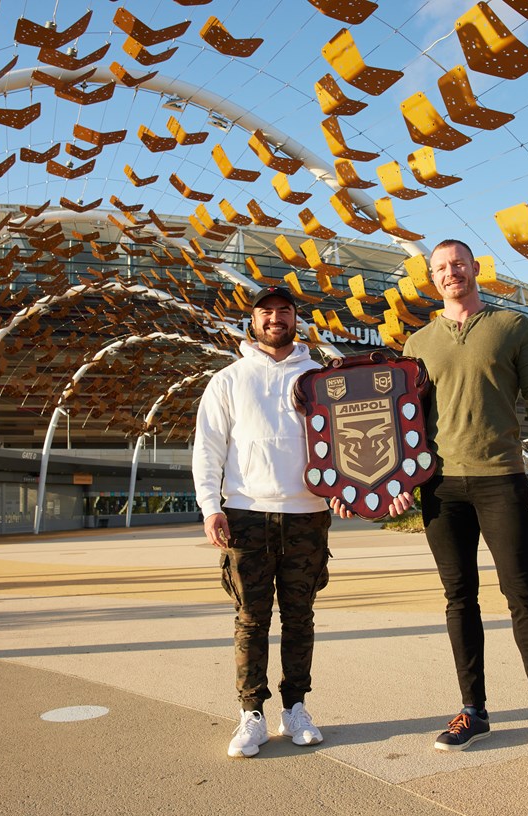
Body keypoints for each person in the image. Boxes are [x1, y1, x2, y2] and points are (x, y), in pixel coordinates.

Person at [400, 239, 528, 757]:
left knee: (523, 595)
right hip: (439, 488)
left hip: (503, 478)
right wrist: (391, 483)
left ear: (475, 269)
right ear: (431, 279)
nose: (450, 273)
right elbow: (403, 424)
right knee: (459, 600)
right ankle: (473, 711)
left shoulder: (512, 327)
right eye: (440, 268)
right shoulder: (417, 344)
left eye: (457, 263)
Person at [192, 285, 332, 759]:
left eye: (284, 311)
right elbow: (209, 447)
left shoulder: (318, 377)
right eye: (266, 311)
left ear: (296, 320)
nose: (275, 319)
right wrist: (211, 505)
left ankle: (295, 707)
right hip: (246, 513)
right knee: (251, 618)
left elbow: (343, 441)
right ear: (251, 321)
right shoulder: (228, 380)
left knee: (299, 617)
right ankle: (251, 713)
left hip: (307, 515)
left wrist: (352, 490)